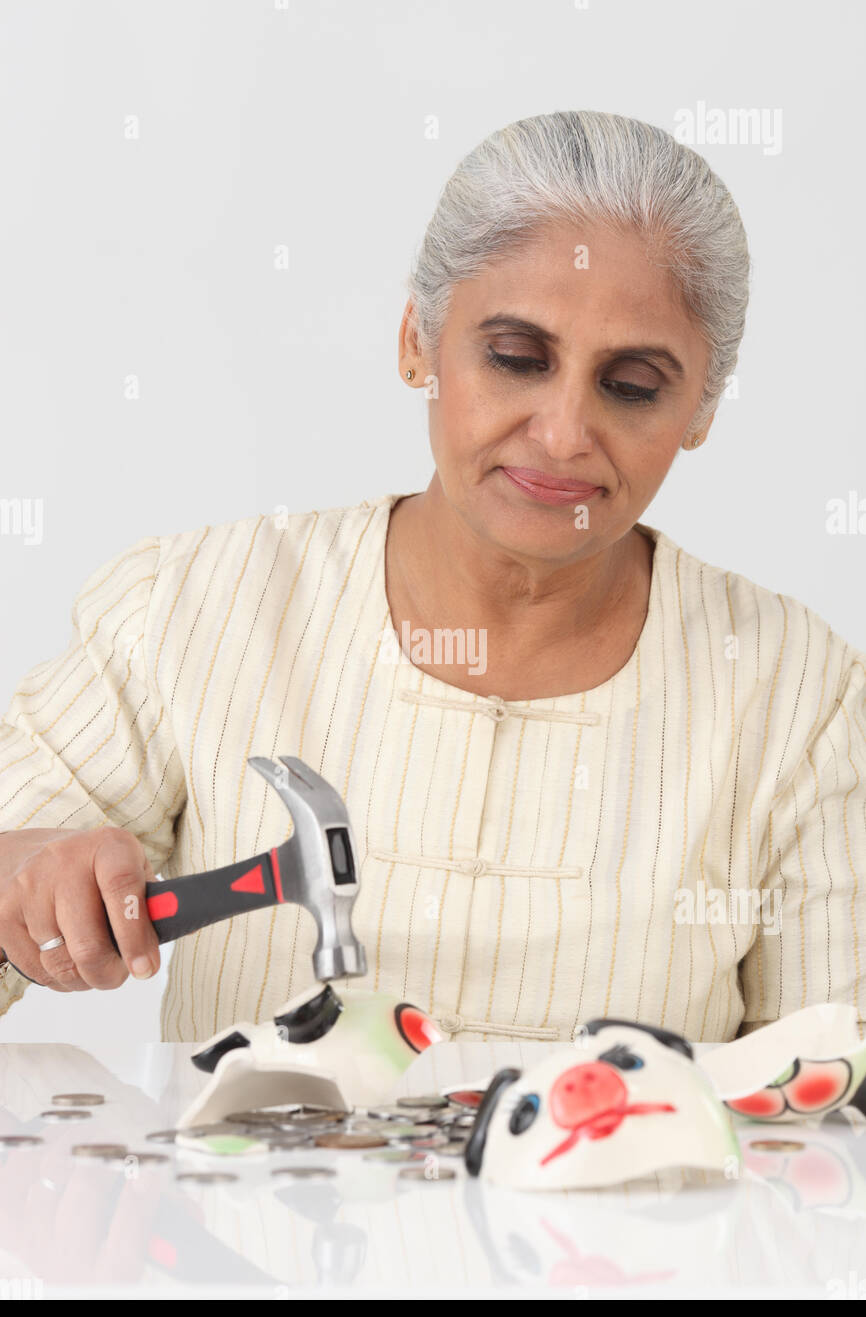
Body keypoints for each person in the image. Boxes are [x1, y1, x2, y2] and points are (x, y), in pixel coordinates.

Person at [1, 110, 864, 1045]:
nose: (563, 434)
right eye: (516, 359)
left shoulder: (796, 694)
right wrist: (24, 889)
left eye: (632, 385)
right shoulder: (198, 606)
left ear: (701, 410)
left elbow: (833, 1084)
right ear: (418, 341)